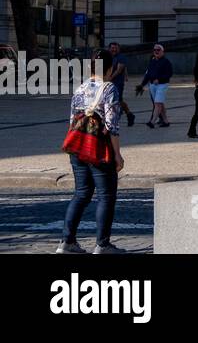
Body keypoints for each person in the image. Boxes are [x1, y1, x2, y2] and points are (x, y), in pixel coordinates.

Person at [57, 50, 125, 254]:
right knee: (106, 196)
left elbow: (71, 121)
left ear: (90, 68)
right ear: (110, 68)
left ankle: (66, 242)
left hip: (78, 146)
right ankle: (102, 244)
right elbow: (112, 125)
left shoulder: (80, 89)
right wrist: (118, 154)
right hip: (98, 148)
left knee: (81, 194)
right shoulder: (109, 88)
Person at [137, 43, 173, 128]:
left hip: (162, 85)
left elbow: (169, 74)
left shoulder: (166, 62)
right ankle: (166, 121)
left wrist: (159, 79)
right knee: (160, 104)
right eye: (155, 50)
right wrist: (142, 85)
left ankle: (152, 121)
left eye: (158, 50)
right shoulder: (152, 61)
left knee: (157, 103)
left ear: (162, 51)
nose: (156, 51)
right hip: (152, 85)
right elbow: (148, 74)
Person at [107, 42, 134, 128]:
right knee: (119, 100)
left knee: (116, 100)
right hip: (108, 82)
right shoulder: (108, 57)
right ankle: (129, 114)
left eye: (115, 48)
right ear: (109, 49)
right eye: (112, 48)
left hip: (117, 83)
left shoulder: (121, 57)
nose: (114, 49)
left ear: (118, 49)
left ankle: (114, 119)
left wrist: (110, 78)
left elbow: (119, 70)